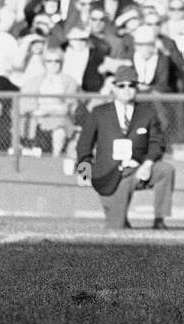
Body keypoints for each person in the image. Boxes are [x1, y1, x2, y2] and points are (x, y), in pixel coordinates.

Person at [75, 65, 175, 230]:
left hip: (137, 169)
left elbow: (157, 143)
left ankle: (160, 220)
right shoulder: (99, 112)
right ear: (114, 88)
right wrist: (84, 171)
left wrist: (148, 164)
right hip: (110, 172)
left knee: (165, 170)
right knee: (116, 227)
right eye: (122, 86)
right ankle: (120, 219)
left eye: (132, 85)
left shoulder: (147, 113)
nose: (127, 90)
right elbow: (84, 145)